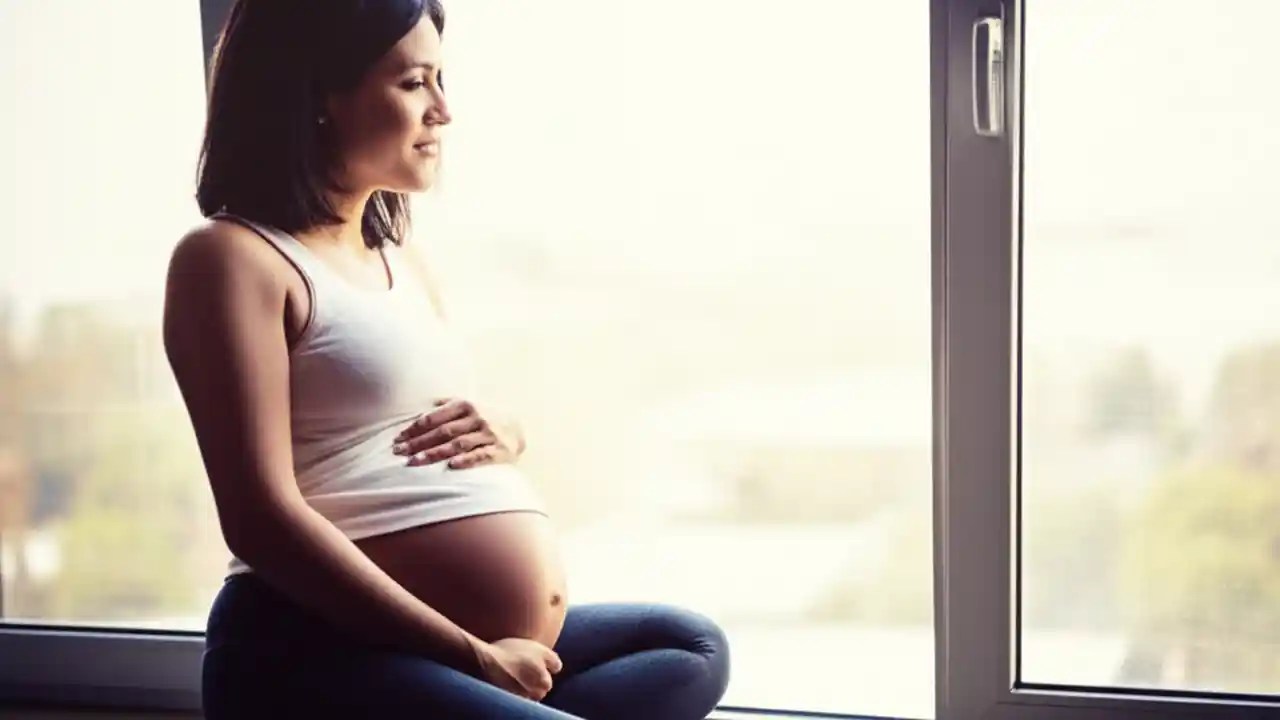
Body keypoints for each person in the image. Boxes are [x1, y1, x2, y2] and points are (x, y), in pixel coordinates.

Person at [162, 1, 731, 717]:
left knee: (690, 649)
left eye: (440, 79)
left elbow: (407, 424)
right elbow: (259, 518)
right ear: (319, 97)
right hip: (314, 646)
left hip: (455, 644)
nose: (443, 110)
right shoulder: (232, 259)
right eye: (413, 83)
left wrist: (508, 430)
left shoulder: (398, 258)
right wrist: (472, 656)